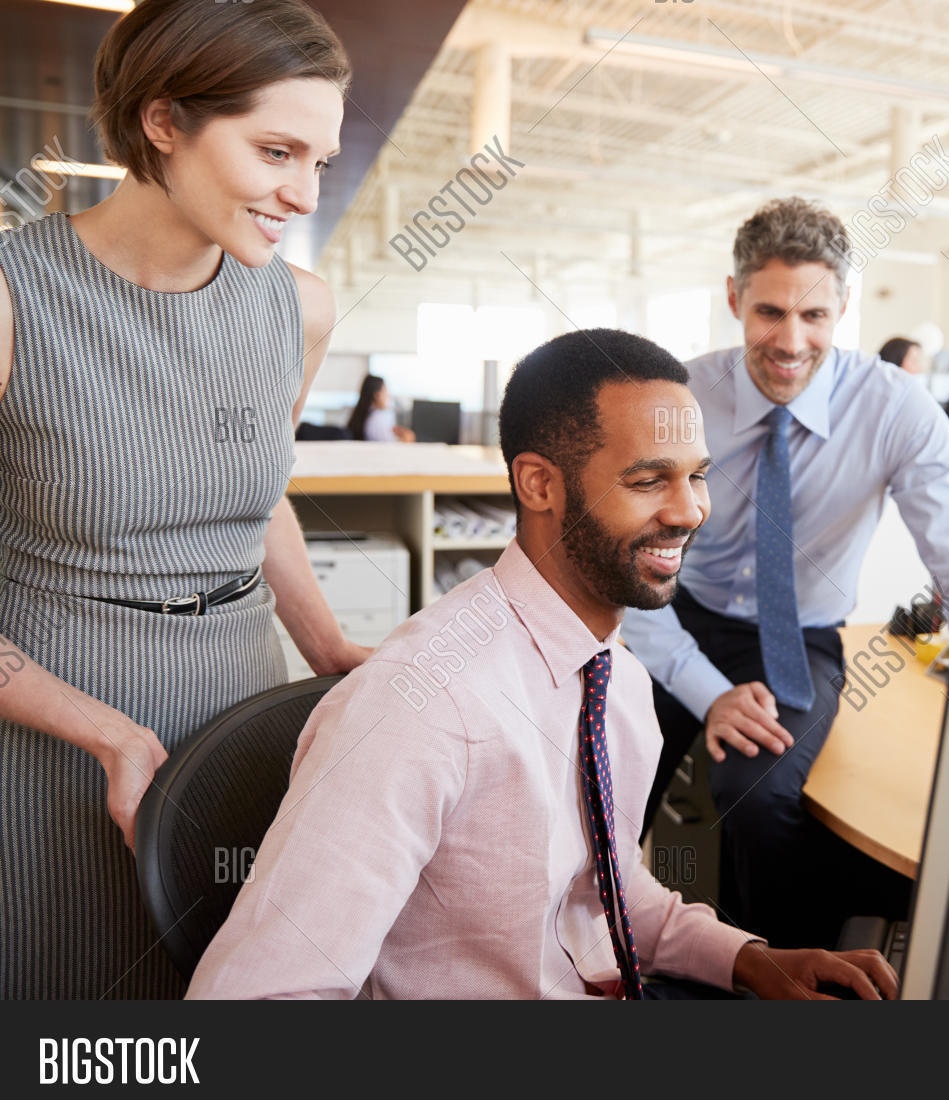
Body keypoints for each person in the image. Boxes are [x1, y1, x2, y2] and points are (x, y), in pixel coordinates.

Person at [187, 329, 897, 1000]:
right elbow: (263, 992)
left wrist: (750, 959)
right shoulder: (422, 707)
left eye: (697, 477)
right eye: (650, 480)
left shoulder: (615, 678)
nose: (689, 512)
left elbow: (608, 892)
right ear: (539, 485)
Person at [0, 0, 371, 999]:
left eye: (320, 162)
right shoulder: (12, 298)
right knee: (71, 993)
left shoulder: (298, 307)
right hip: (56, 728)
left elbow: (258, 493)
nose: (301, 191)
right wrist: (112, 737)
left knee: (225, 988)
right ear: (164, 121)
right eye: (276, 150)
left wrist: (331, 648)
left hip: (236, 709)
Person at [623, 197, 949, 950]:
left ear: (843, 307)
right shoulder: (678, 397)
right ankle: (587, 949)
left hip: (795, 636)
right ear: (735, 298)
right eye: (770, 312)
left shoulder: (897, 410)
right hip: (672, 617)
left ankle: (774, 972)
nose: (790, 342)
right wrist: (709, 695)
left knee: (758, 795)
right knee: (599, 775)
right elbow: (630, 569)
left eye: (815, 317)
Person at [345, 373, 414, 442]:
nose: (388, 395)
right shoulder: (379, 417)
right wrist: (406, 440)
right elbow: (389, 448)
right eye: (385, 391)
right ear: (377, 395)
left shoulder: (363, 416)